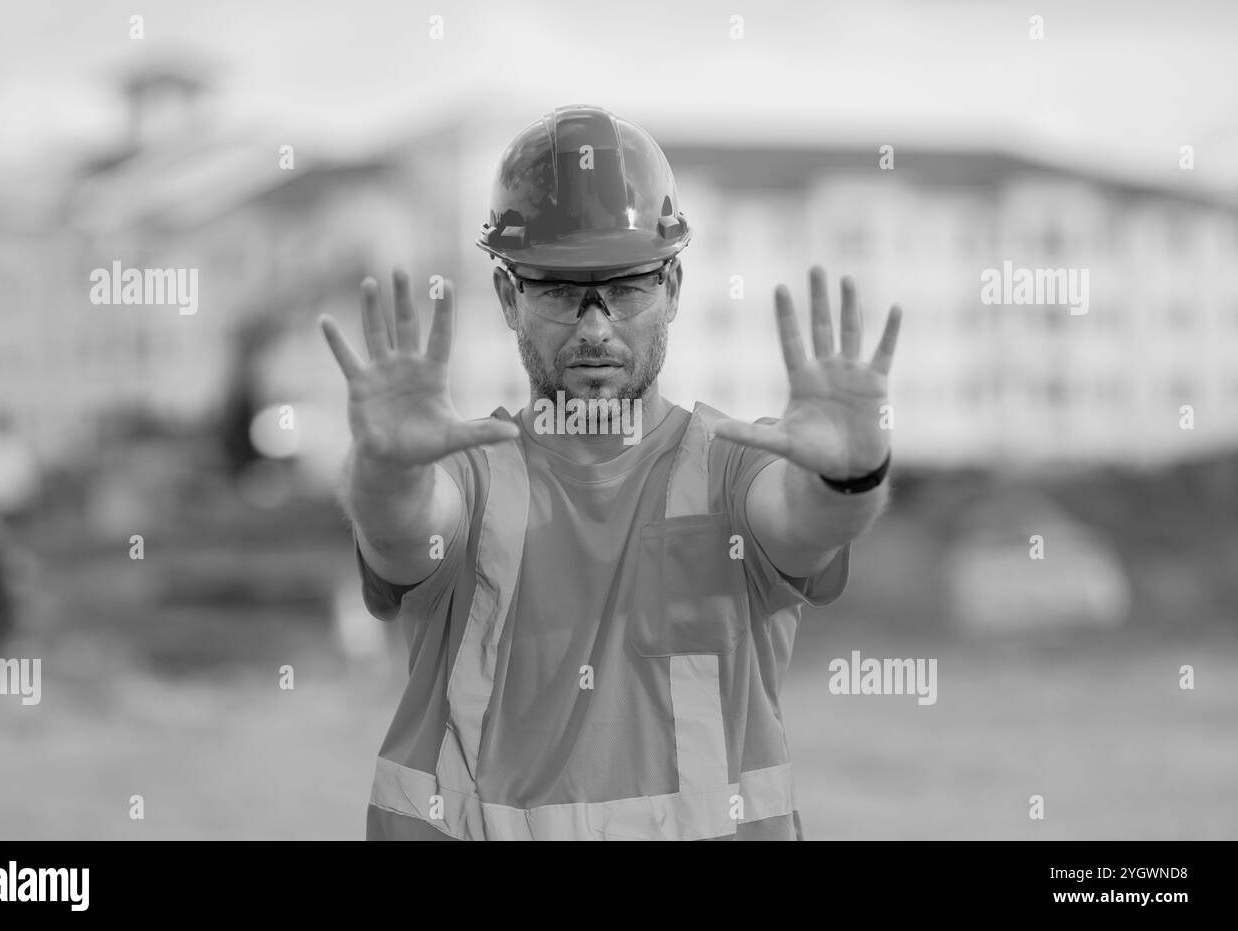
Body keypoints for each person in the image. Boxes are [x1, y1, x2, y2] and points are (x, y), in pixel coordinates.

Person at [319, 105, 901, 840]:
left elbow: (810, 519)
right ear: (508, 298)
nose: (595, 327)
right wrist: (385, 466)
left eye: (625, 286)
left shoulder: (734, 467)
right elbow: (402, 526)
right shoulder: (468, 476)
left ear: (673, 289)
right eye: (561, 289)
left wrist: (853, 474)